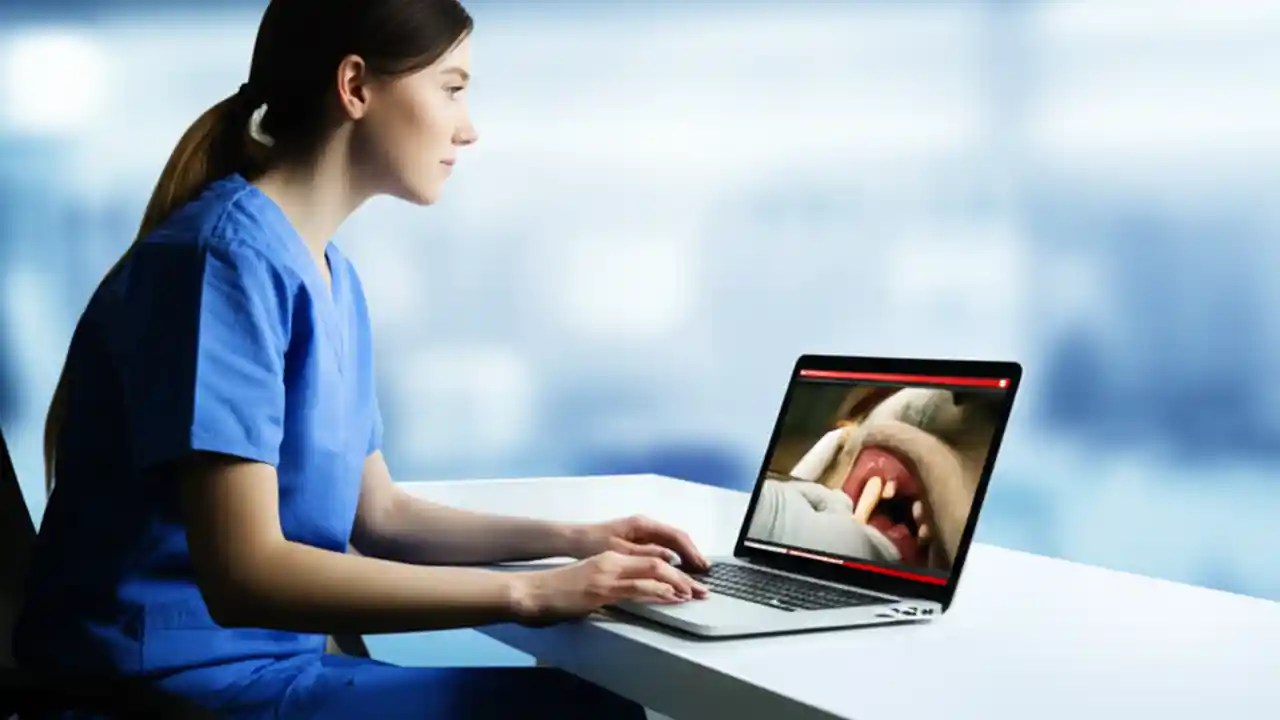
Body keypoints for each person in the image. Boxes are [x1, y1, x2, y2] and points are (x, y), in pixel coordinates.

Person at [13, 1, 710, 717]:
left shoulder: (329, 275)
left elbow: (379, 515)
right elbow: (244, 574)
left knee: (591, 705)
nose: (467, 128)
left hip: (262, 667)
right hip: (161, 688)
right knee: (586, 713)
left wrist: (575, 541)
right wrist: (531, 592)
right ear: (355, 87)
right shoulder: (222, 262)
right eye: (452, 87)